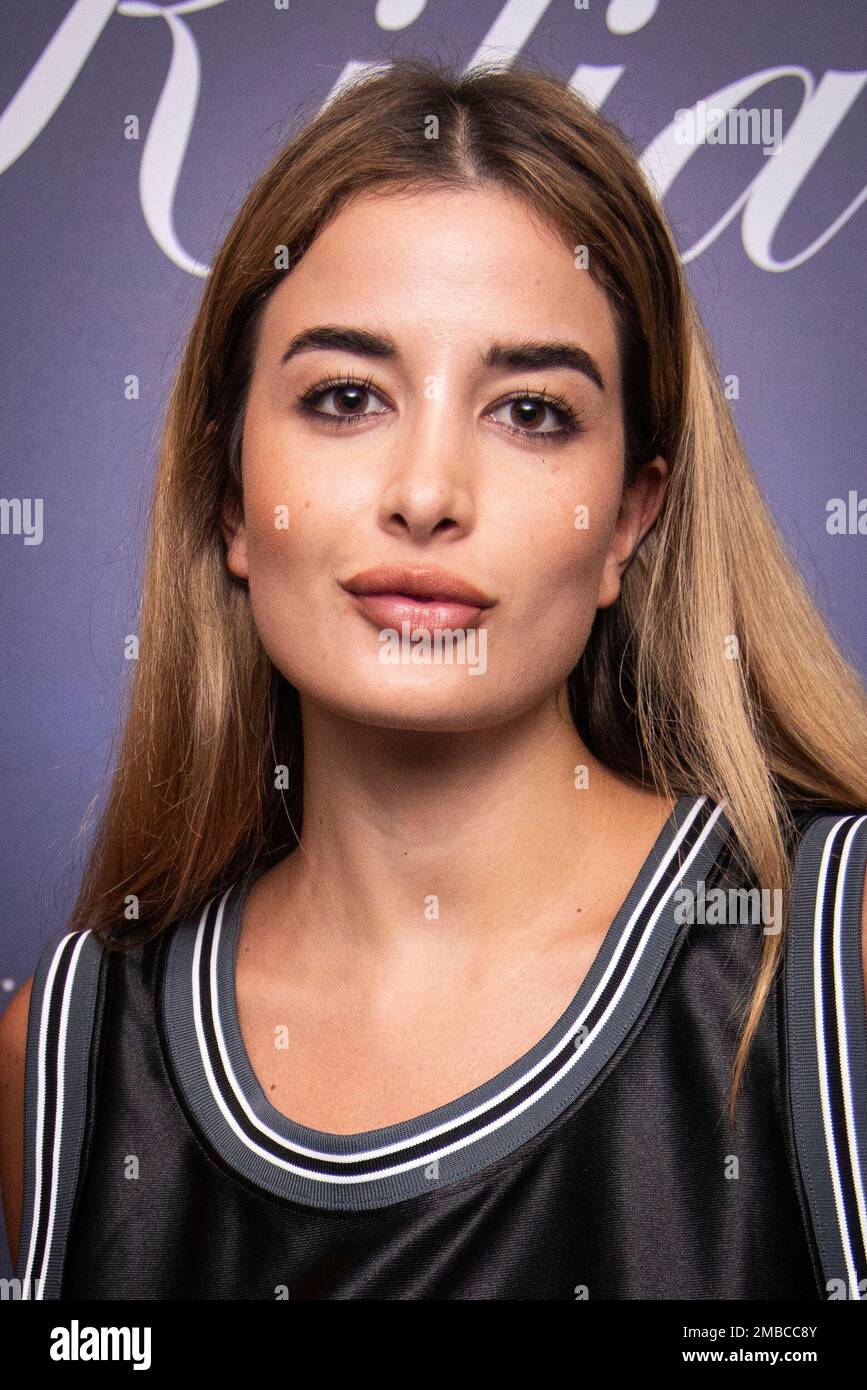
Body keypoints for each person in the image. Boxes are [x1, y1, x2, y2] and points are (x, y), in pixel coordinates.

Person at [2, 56, 867, 1302]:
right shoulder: (70, 1057)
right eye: (346, 396)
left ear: (628, 519)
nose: (426, 493)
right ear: (231, 497)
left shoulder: (830, 955)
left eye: (531, 412)